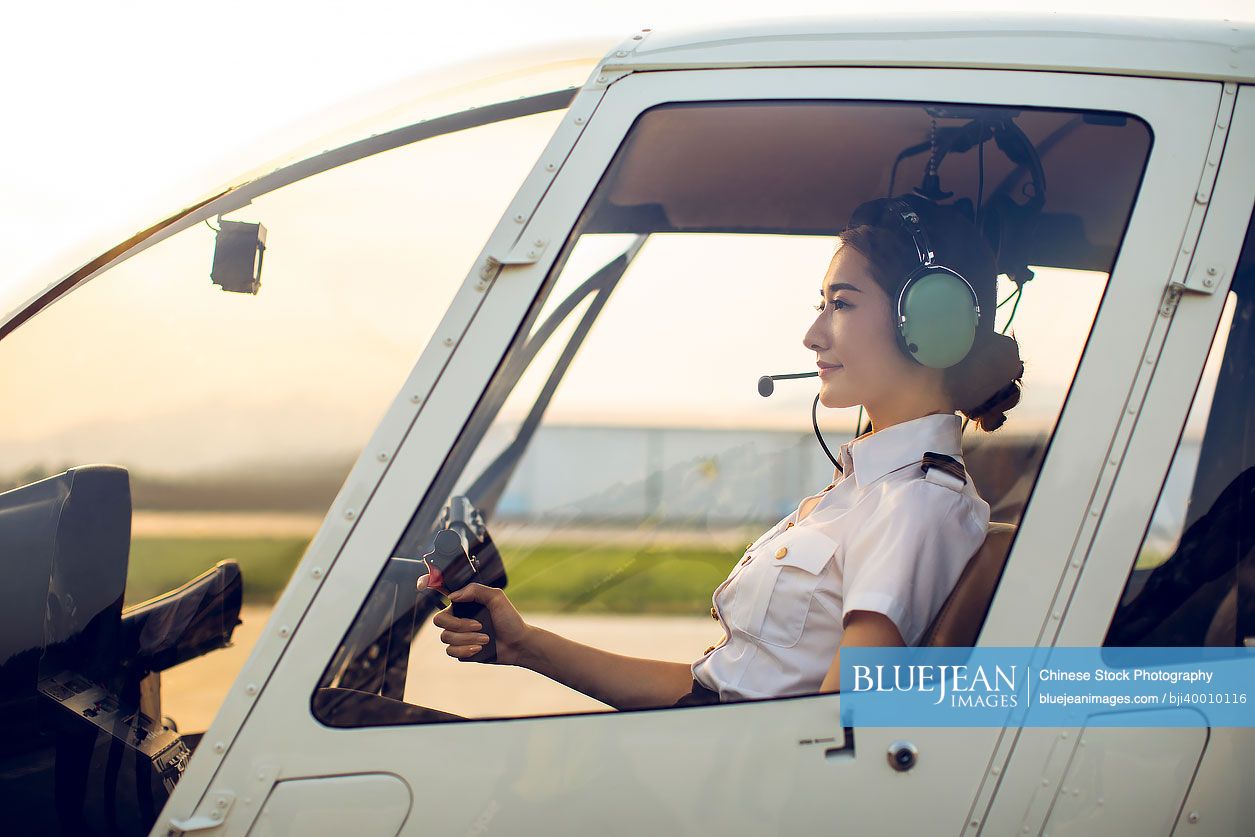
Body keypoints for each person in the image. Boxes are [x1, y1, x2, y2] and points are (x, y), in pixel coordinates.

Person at [418, 195, 1024, 710]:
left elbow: (831, 740)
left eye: (840, 304)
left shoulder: (912, 506)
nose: (813, 335)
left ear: (931, 322)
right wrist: (525, 645)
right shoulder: (863, 493)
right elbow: (713, 692)